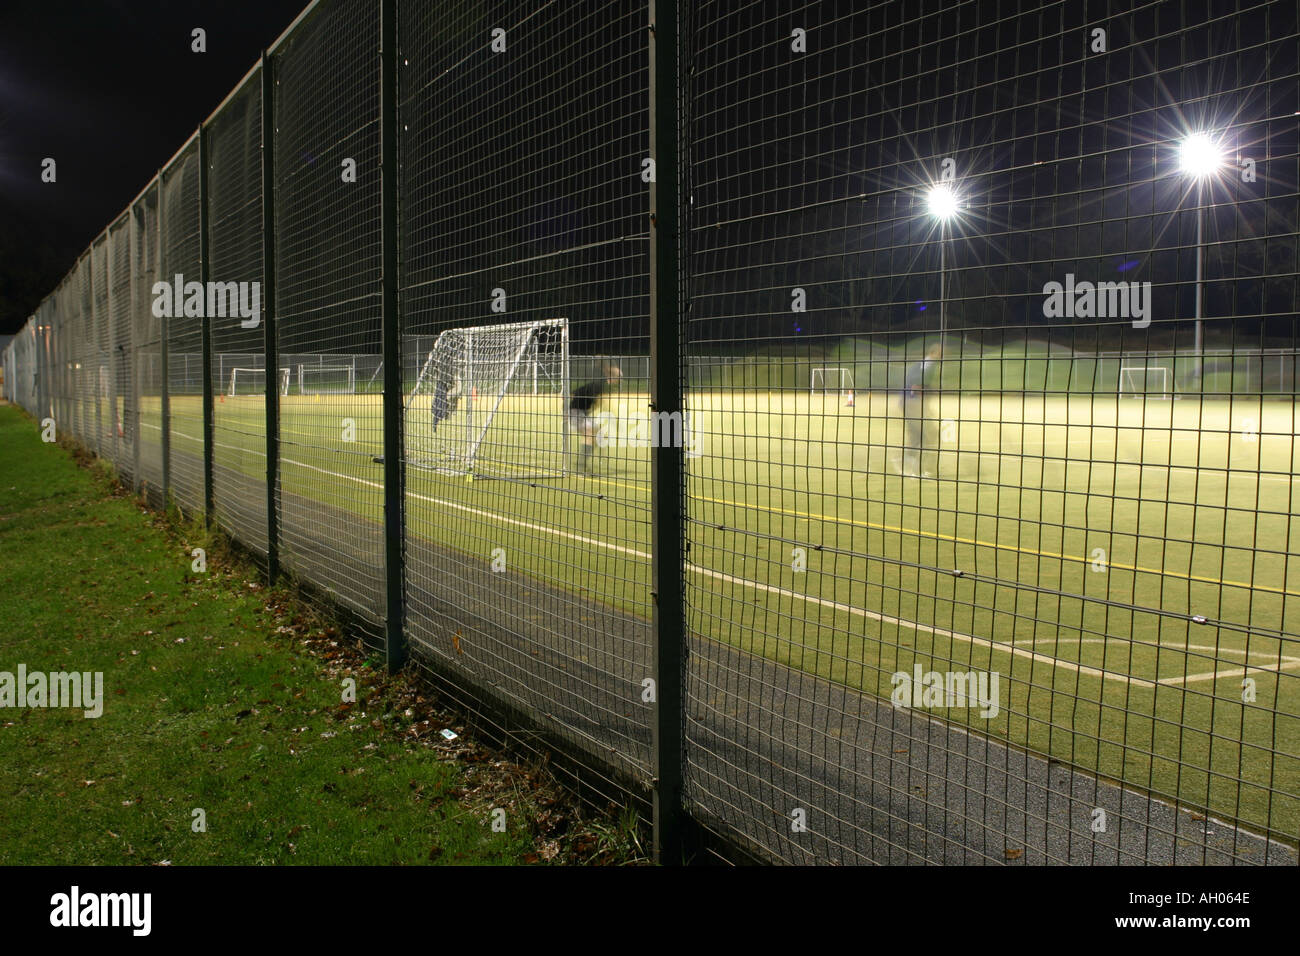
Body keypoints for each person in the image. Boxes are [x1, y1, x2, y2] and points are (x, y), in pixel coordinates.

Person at [568, 364, 621, 473]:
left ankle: (583, 461)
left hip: (582, 413)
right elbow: (602, 403)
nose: (620, 380)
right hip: (576, 412)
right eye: (619, 377)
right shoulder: (601, 385)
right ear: (612, 377)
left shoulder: (601, 385)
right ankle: (581, 465)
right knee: (590, 434)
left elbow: (577, 393)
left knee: (597, 434)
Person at [900, 342, 943, 477]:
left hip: (909, 402)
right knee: (928, 434)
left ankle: (911, 463)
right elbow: (916, 386)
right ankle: (920, 469)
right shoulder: (928, 365)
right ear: (935, 353)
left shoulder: (925, 364)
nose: (942, 357)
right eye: (940, 354)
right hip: (912, 403)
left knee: (917, 434)